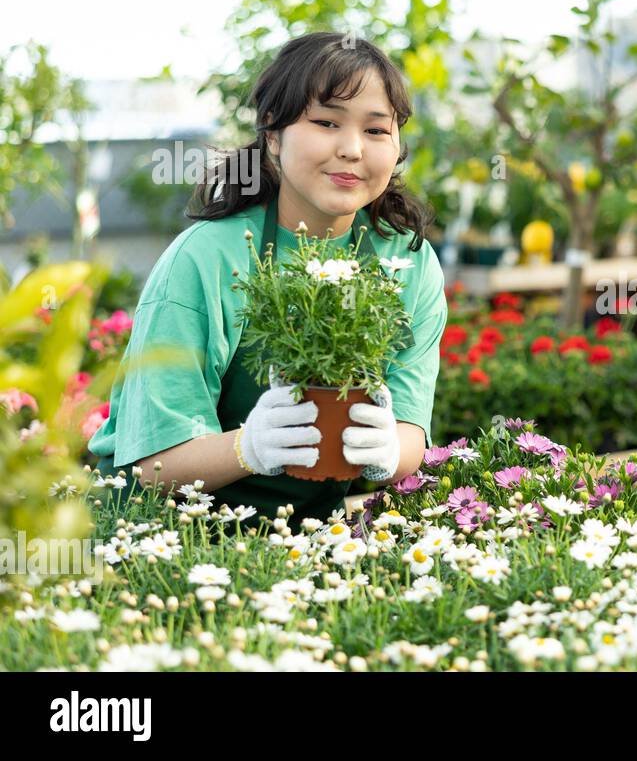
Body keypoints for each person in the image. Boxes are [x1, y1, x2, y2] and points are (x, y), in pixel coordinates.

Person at [89, 32, 446, 523]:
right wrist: (247, 447)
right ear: (273, 137)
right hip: (164, 531)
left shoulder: (407, 261)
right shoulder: (206, 259)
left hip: (306, 538)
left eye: (376, 131)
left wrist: (386, 450)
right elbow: (151, 465)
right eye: (325, 122)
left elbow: (410, 431)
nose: (351, 149)